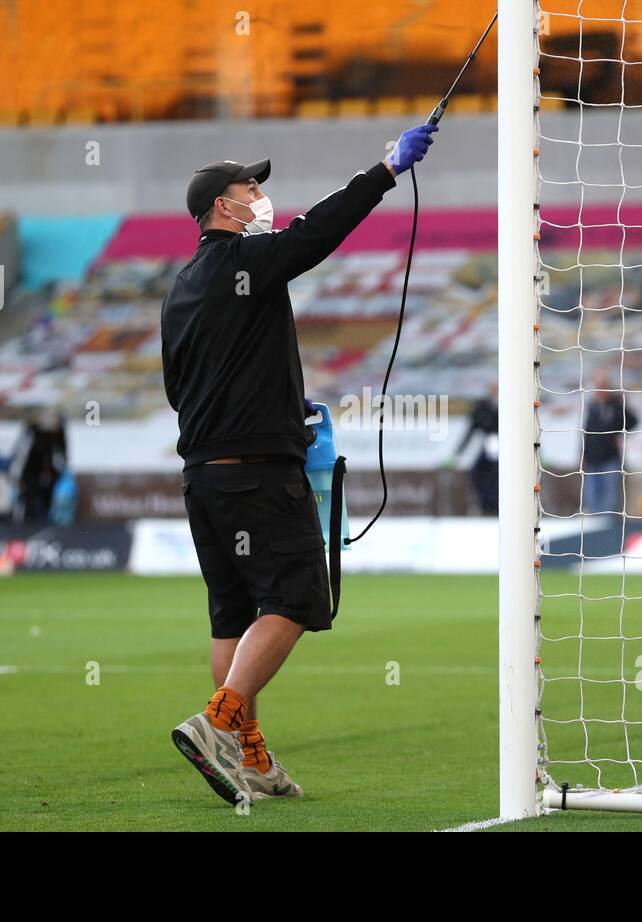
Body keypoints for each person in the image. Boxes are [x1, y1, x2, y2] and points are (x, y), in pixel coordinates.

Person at [161, 123, 437, 805]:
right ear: (223, 208)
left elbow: (180, 384)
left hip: (204, 474)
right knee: (298, 596)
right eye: (250, 187)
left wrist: (275, 400)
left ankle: (249, 754)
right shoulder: (245, 262)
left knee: (232, 612)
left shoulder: (181, 286)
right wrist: (385, 170)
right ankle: (220, 723)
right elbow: (319, 231)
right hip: (257, 471)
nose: (261, 195)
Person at [581, 372, 639, 537]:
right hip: (593, 459)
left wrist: (622, 407)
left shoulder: (616, 406)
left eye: (603, 387)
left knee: (610, 498)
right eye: (598, 387)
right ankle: (593, 532)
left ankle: (607, 533)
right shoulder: (592, 407)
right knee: (592, 497)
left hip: (610, 458)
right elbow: (586, 432)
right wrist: (583, 455)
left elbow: (633, 421)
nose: (600, 391)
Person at [454, 383, 499, 514]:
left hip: (502, 442)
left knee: (494, 473)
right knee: (478, 472)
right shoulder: (482, 405)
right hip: (490, 442)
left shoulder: (509, 403)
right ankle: (486, 503)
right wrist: (460, 450)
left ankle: (493, 502)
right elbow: (473, 427)